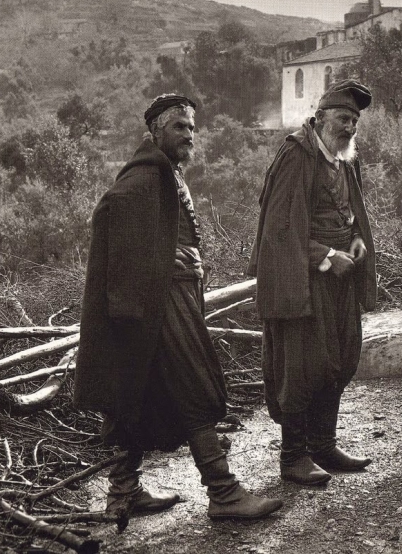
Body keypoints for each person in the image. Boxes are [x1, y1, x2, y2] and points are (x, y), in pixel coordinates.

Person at [75, 94, 282, 524]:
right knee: (194, 387)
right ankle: (223, 493)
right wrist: (161, 261)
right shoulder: (143, 179)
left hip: (171, 300)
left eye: (191, 128)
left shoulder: (165, 174)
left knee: (142, 393)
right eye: (178, 127)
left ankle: (123, 492)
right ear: (155, 132)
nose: (189, 134)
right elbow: (112, 221)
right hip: (160, 306)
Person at [248, 80, 378, 486]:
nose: (349, 128)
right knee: (301, 368)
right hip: (302, 284)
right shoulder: (295, 155)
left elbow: (347, 214)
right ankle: (293, 458)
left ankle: (323, 445)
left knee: (338, 361)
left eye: (354, 121)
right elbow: (279, 228)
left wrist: (354, 242)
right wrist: (325, 256)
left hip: (341, 281)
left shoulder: (344, 160)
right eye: (343, 118)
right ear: (320, 118)